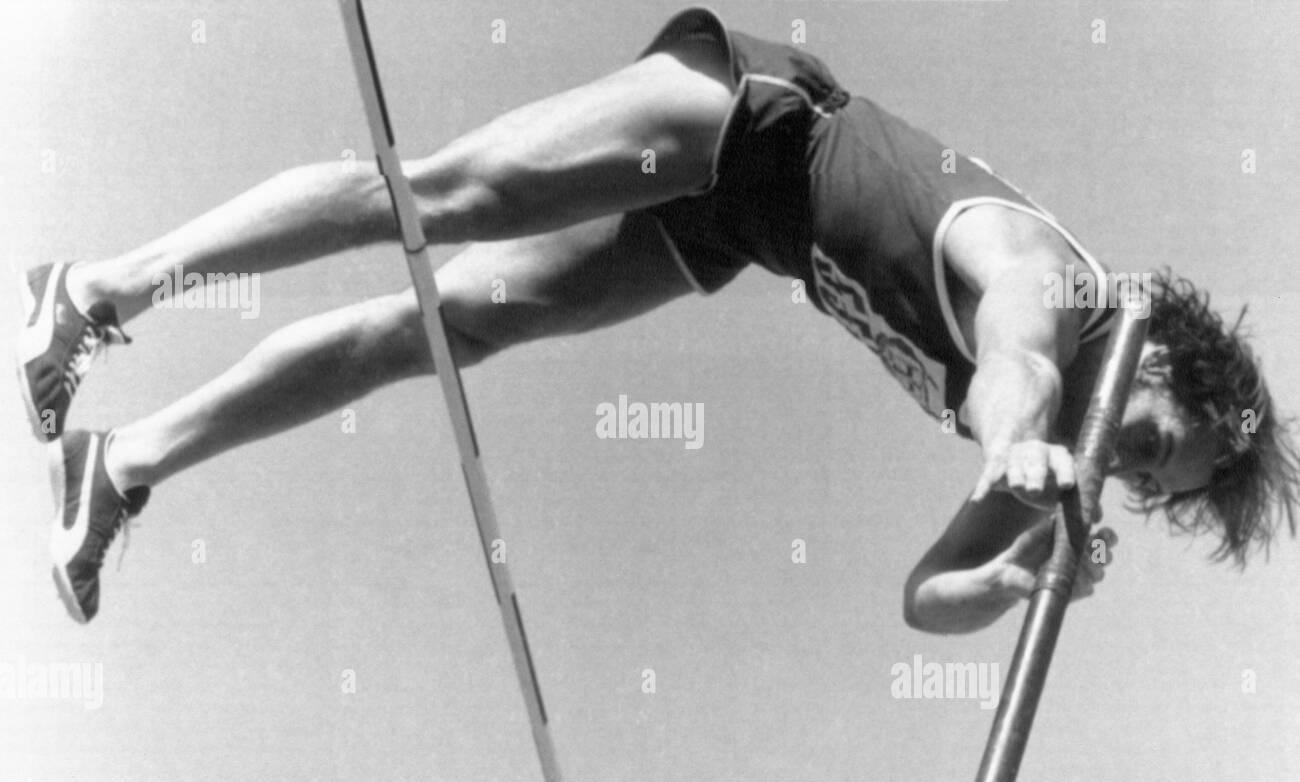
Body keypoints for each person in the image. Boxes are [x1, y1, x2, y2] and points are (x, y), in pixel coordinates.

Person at [18, 7, 1297, 626]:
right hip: (748, 124)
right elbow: (1008, 357)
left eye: (1148, 482)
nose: (1124, 467)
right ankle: (103, 286)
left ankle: (123, 466)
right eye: (1149, 440)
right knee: (435, 199)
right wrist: (1010, 446)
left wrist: (1012, 572)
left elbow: (924, 598)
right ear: (1173, 361)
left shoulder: (1042, 459)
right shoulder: (1058, 289)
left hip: (731, 232)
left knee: (447, 329)